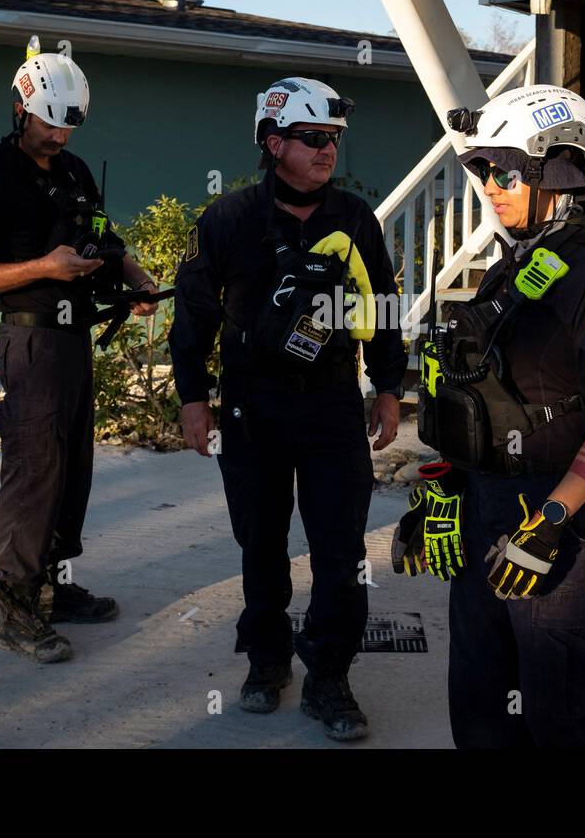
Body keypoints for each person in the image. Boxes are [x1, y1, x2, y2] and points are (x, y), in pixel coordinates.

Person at [406, 84, 585, 747]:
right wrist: (442, 493)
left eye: (506, 170)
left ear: (561, 172)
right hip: (487, 505)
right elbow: (481, 397)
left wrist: (549, 522)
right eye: (484, 169)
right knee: (482, 703)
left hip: (559, 520)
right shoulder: (508, 270)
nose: (490, 185)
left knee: (563, 714)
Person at [168, 77, 406, 740]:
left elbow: (383, 307)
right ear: (273, 143)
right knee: (261, 542)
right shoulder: (227, 222)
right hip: (252, 411)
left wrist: (389, 386)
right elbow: (193, 316)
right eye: (312, 139)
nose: (327, 151)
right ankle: (267, 661)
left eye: (332, 139)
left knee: (338, 546)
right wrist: (193, 398)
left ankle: (329, 677)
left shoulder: (355, 219)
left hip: (332, 407)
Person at [0, 40, 159, 664]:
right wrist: (45, 266)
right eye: (50, 122)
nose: (60, 136)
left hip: (76, 339)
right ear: (22, 109)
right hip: (32, 339)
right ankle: (16, 608)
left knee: (73, 472)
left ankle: (58, 589)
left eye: (69, 124)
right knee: (33, 473)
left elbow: (106, 237)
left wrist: (135, 279)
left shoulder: (73, 172)